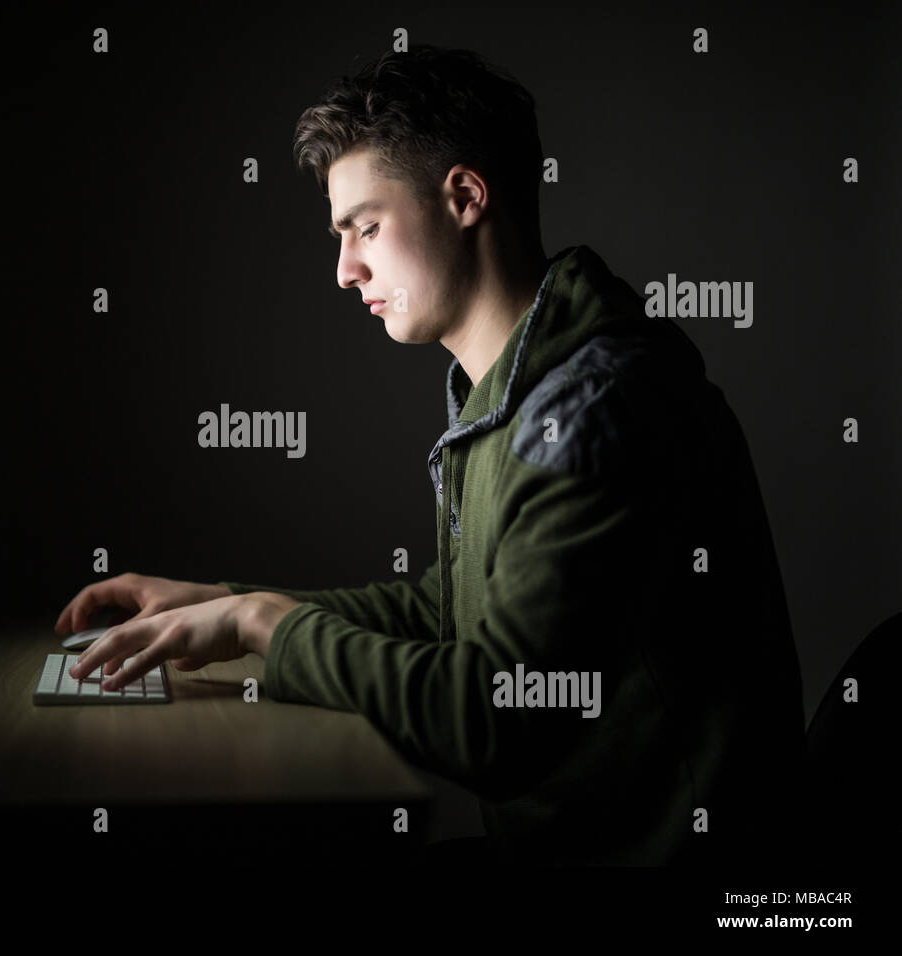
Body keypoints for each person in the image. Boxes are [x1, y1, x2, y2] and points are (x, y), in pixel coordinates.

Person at [57, 45, 805, 865]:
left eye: (366, 227)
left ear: (464, 196)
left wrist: (261, 624)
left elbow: (500, 718)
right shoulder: (509, 388)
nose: (345, 271)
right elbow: (450, 616)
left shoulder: (593, 409)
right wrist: (226, 604)